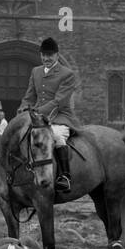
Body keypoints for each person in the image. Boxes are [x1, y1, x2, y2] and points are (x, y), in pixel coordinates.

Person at [19, 37, 79, 194]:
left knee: (56, 136)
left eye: (50, 55)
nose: (46, 58)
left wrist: (37, 112)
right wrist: (23, 110)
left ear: (57, 55)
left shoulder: (68, 74)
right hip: (38, 118)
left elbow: (59, 101)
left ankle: (64, 176)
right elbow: (29, 96)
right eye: (43, 55)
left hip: (60, 117)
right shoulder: (35, 71)